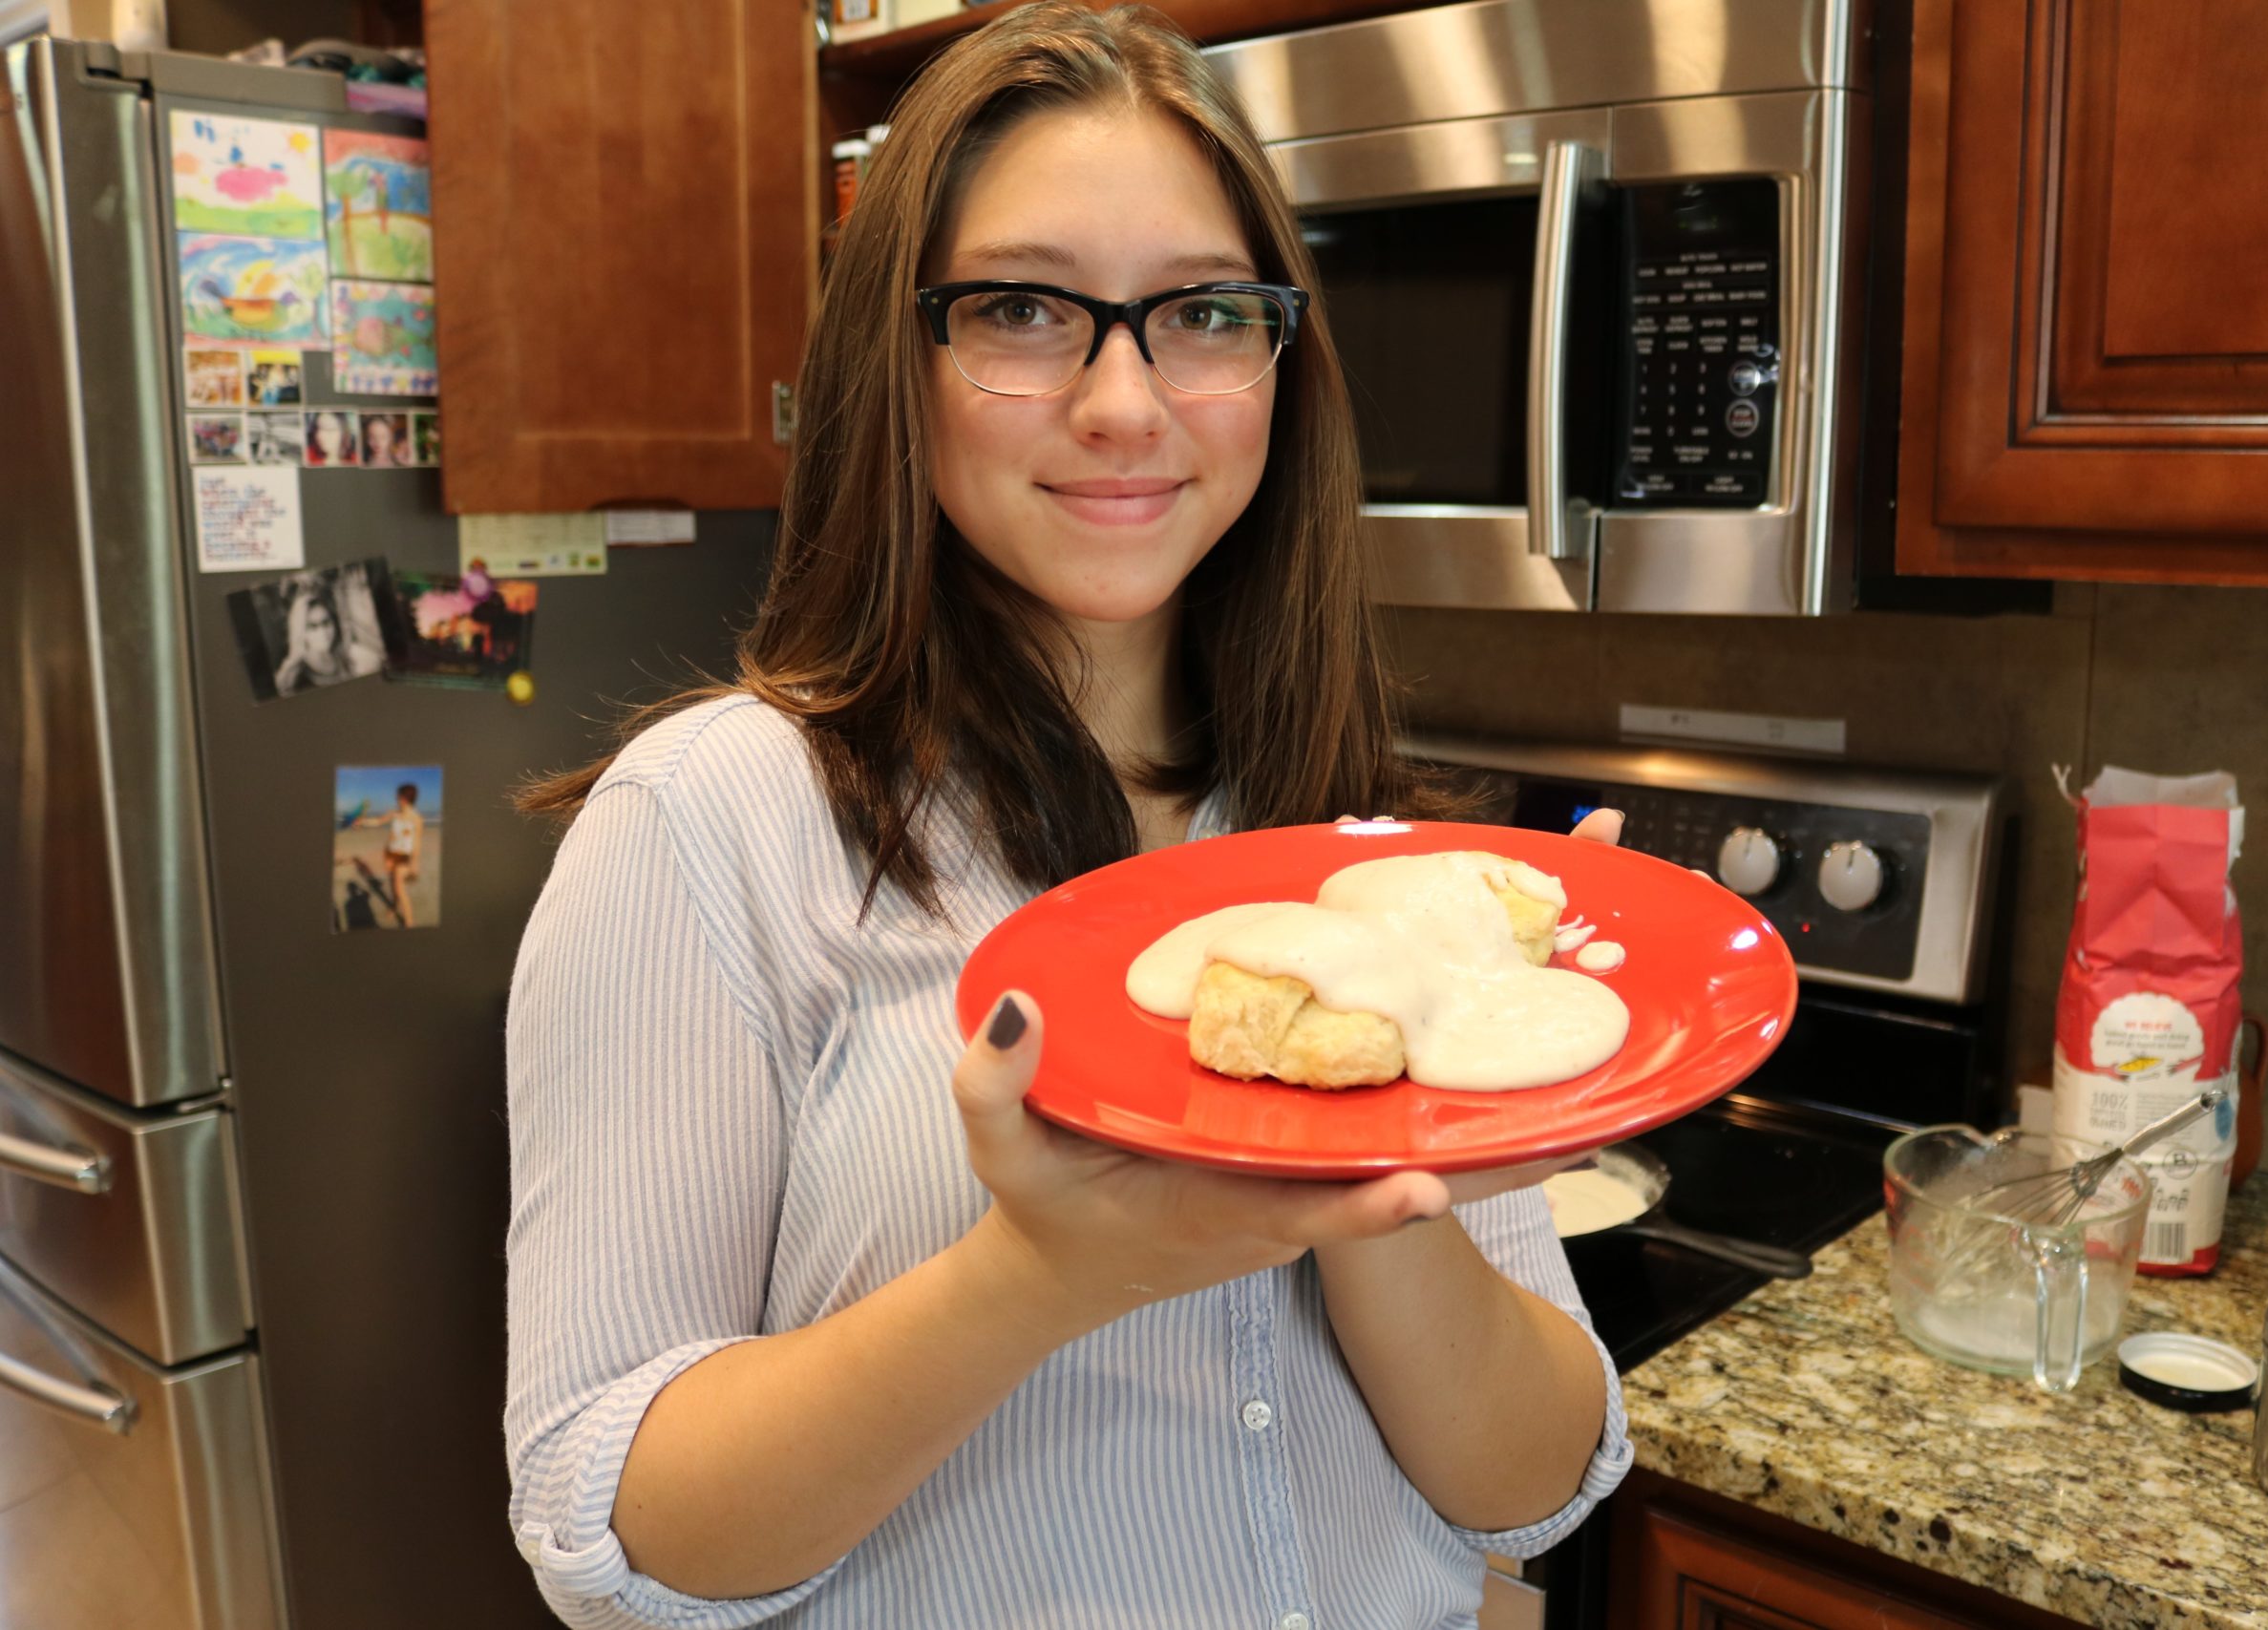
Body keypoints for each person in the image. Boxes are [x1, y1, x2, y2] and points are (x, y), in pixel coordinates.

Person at [502, 7, 1633, 1627]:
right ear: (897, 357)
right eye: (1025, 310)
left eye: (1200, 313)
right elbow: (610, 1524)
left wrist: (1389, 1174)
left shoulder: (1363, 863)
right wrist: (1042, 1275)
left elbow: (1523, 1486)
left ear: (1278, 363)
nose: (1124, 402)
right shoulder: (712, 822)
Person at [382, 783, 422, 928]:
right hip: (391, 853)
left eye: (398, 795)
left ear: (405, 798)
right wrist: (362, 821)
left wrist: (414, 863)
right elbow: (379, 821)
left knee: (399, 886)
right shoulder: (395, 813)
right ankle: (394, 906)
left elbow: (417, 843)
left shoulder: (416, 818)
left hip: (404, 856)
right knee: (393, 882)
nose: (396, 798)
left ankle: (409, 921)